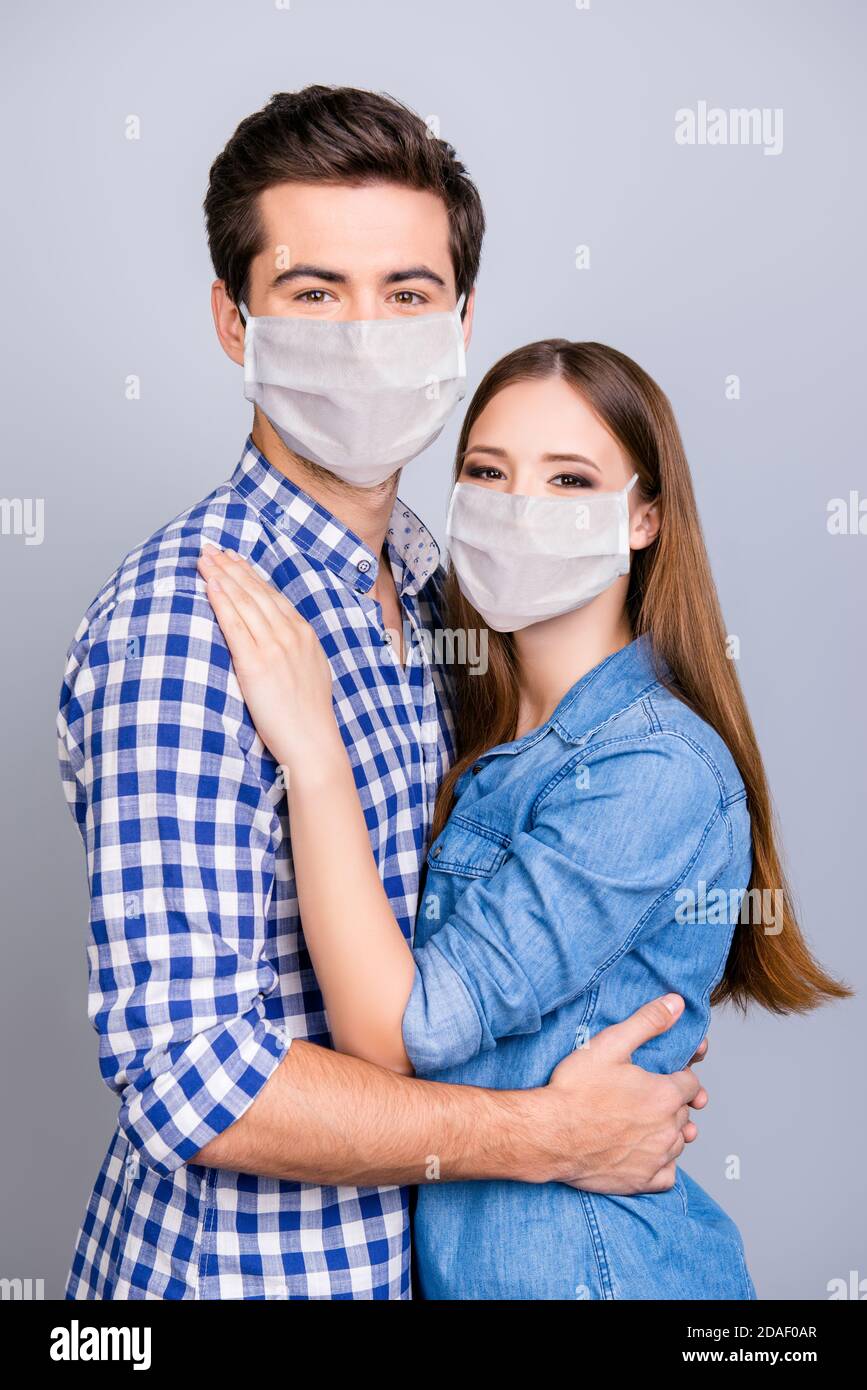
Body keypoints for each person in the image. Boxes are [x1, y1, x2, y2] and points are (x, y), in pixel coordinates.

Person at [59, 87, 708, 1302]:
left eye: (406, 294)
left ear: (460, 321)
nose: (366, 332)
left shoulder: (441, 607)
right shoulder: (186, 626)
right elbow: (190, 1075)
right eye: (315, 293)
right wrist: (552, 1137)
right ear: (232, 319)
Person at [196, 339, 850, 1299]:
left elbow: (404, 1030)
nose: (518, 509)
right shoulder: (477, 724)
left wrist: (313, 751)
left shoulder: (651, 766)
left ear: (644, 518)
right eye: (487, 474)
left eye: (569, 479)